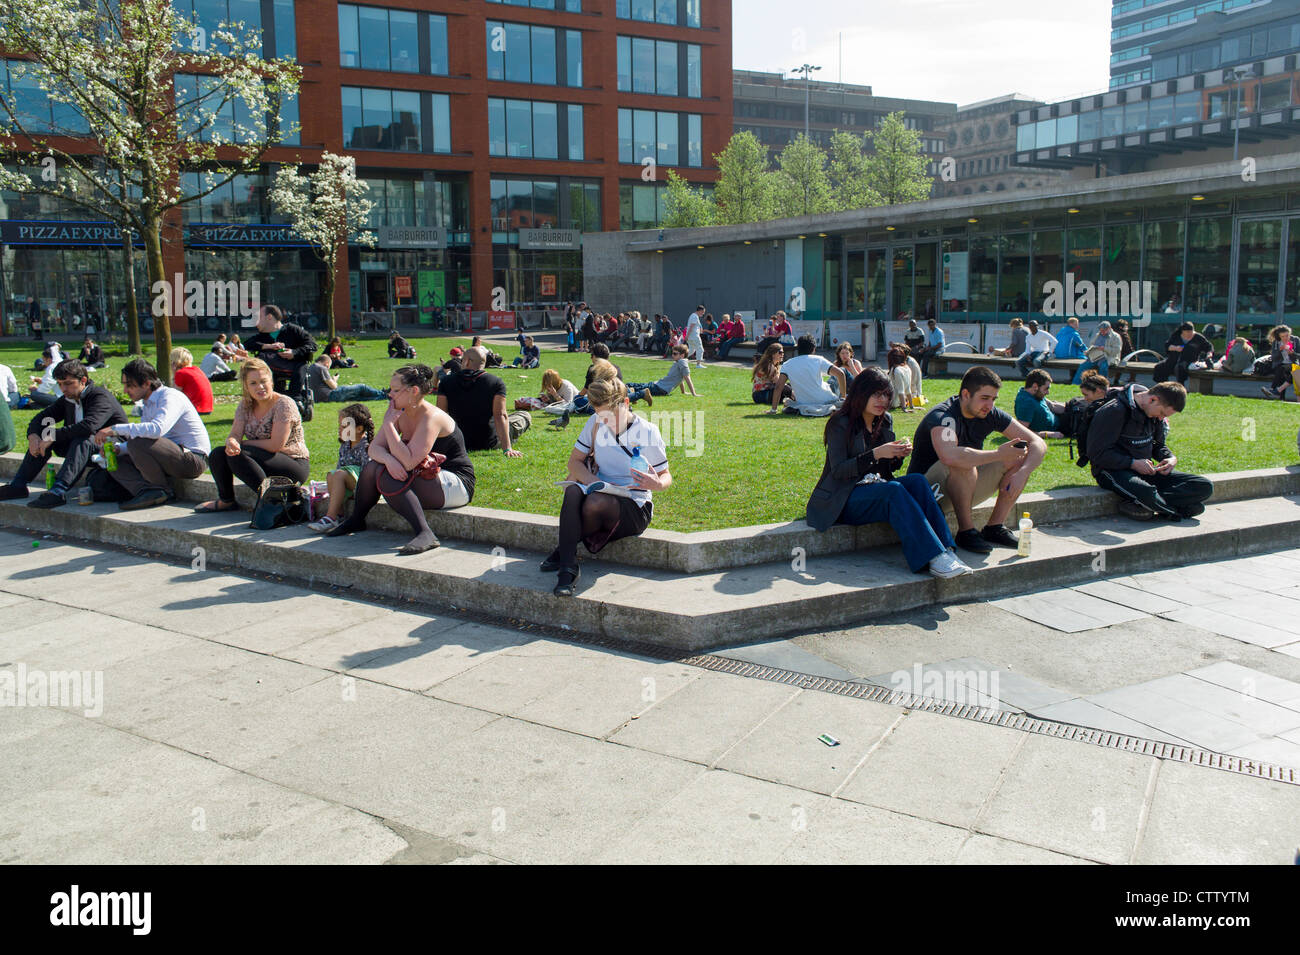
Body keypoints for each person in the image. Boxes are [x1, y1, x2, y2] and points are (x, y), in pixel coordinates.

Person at [806, 368, 969, 579]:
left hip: (875, 489)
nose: (882, 400)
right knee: (893, 490)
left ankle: (947, 550)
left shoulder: (885, 420)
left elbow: (887, 470)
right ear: (860, 393)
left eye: (886, 395)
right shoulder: (840, 423)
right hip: (843, 498)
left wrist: (896, 455)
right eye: (876, 394)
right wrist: (876, 453)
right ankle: (934, 557)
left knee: (918, 481)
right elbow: (838, 471)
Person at [544, 376, 671, 597]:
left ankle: (564, 551)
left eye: (611, 416)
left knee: (595, 500)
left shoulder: (648, 431)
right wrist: (594, 483)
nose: (605, 422)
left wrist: (657, 484)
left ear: (626, 403)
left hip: (634, 504)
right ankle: (568, 568)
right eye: (600, 415)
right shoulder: (594, 422)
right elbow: (574, 462)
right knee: (574, 491)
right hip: (600, 491)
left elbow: (666, 475)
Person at [326, 366, 476, 553]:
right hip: (425, 478)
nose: (390, 394)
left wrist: (389, 425)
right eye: (390, 389)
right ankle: (357, 519)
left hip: (455, 483)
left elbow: (409, 462)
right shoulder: (401, 412)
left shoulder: (431, 417)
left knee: (385, 473)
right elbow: (374, 448)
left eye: (396, 390)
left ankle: (425, 533)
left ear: (414, 391)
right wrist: (389, 459)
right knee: (374, 467)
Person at [906, 365, 1046, 555]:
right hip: (926, 494)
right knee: (963, 461)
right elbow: (950, 455)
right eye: (985, 398)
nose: (990, 405)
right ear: (966, 394)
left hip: (960, 488)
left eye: (993, 399)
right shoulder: (944, 416)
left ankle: (994, 527)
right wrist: (998, 454)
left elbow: (1037, 442)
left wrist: (1023, 472)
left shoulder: (989, 413)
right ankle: (966, 531)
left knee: (1019, 457)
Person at [0, 358, 128, 508]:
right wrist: (33, 436)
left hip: (114, 449)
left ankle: (57, 491)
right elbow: (41, 418)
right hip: (85, 449)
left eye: (68, 383)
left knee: (83, 438)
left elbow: (88, 427)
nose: (63, 389)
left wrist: (52, 436)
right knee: (44, 434)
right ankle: (18, 486)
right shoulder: (69, 398)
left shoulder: (99, 397)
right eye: (60, 384)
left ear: (83, 380)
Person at [1086, 381, 1213, 521]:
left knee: (1204, 485)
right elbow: (1097, 453)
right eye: (1162, 413)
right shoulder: (1114, 411)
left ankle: (1150, 505)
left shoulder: (1153, 413)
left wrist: (1170, 458)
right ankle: (1174, 508)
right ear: (1153, 399)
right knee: (1147, 492)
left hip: (1146, 470)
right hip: (1113, 471)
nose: (1161, 419)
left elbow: (1157, 445)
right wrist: (1132, 463)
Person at [94, 358, 210, 510]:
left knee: (138, 442)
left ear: (147, 383)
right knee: (113, 459)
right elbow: (144, 441)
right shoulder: (148, 403)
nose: (125, 391)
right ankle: (144, 491)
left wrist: (115, 429)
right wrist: (119, 449)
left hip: (193, 459)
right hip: (168, 456)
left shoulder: (170, 397)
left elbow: (157, 430)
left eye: (130, 385)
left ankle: (160, 491)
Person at [197, 358, 309, 513]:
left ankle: (272, 502)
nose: (260, 387)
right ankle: (226, 501)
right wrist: (232, 441)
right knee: (219, 453)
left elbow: (276, 445)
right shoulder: (246, 404)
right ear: (246, 386)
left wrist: (242, 444)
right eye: (253, 383)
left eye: (264, 381)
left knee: (237, 454)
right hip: (260, 459)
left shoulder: (284, 404)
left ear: (271, 381)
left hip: (292, 463)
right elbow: (235, 434)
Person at [436, 345, 529, 456]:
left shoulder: (446, 382)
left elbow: (440, 415)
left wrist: (441, 446)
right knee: (524, 415)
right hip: (489, 441)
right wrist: (507, 449)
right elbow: (500, 415)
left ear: (466, 362)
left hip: (459, 441)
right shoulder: (495, 382)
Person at [307, 404, 374, 533]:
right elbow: (339, 469)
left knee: (337, 475)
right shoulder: (345, 445)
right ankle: (339, 514)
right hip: (348, 482)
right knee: (331, 475)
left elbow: (368, 474)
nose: (339, 429)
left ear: (359, 428)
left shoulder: (366, 446)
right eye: (340, 426)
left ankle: (331, 517)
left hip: (364, 487)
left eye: (344, 426)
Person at [243, 304, 317, 403]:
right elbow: (247, 344)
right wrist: (269, 346)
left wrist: (294, 352)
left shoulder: (293, 330)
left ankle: (296, 399)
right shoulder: (262, 337)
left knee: (302, 365)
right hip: (271, 369)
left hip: (294, 366)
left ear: (269, 317)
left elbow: (312, 345)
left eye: (259, 317)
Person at [770, 335, 844, 415]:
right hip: (825, 399)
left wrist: (773, 410)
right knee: (842, 372)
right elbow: (840, 374)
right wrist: (843, 398)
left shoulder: (787, 364)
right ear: (813, 348)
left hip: (802, 401)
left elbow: (778, 387)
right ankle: (845, 396)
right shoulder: (818, 359)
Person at [626, 343, 699, 405]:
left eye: (675, 354)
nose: (672, 355)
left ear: (682, 355)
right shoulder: (679, 362)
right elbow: (681, 379)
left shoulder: (681, 362)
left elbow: (687, 378)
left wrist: (694, 393)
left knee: (627, 386)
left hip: (659, 388)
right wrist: (683, 392)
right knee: (631, 386)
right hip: (658, 386)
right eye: (672, 353)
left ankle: (633, 395)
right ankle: (633, 395)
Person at [307, 355, 388, 403]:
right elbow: (334, 386)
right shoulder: (321, 368)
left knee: (357, 398)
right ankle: (383, 393)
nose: (328, 368)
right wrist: (334, 379)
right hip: (330, 395)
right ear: (326, 363)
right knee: (362, 387)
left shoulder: (310, 368)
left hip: (318, 398)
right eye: (329, 366)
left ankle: (383, 397)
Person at [1154, 321, 1213, 386]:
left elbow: (1208, 347)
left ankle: (1180, 386)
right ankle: (1164, 386)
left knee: (1180, 368)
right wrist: (1175, 348)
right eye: (1187, 332)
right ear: (1182, 331)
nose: (1190, 334)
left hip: (1189, 361)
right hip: (1173, 359)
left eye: (1191, 332)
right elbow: (1167, 346)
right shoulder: (1176, 335)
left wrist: (1209, 354)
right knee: (1159, 367)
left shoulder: (1198, 338)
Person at [1014, 369, 1066, 439]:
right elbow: (1020, 432)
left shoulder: (1034, 394)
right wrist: (1047, 434)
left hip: (1062, 419)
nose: (1048, 392)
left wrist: (1070, 407)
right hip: (1062, 427)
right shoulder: (1026, 403)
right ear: (1035, 386)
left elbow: (1052, 405)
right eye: (1046, 389)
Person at [170, 348, 214, 414]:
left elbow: (174, 394)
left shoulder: (181, 373)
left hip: (196, 409)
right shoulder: (196, 369)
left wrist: (174, 373)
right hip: (207, 408)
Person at [1260, 325, 1295, 400]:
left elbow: (1298, 355)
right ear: (1279, 336)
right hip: (1280, 364)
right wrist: (1280, 350)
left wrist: (1292, 353)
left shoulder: (1295, 340)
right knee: (1281, 370)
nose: (1285, 338)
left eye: (1287, 335)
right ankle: (1280, 396)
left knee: (1282, 370)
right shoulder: (1276, 342)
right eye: (1282, 336)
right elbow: (1274, 357)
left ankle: (1273, 389)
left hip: (1293, 364)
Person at [886, 347, 916, 413]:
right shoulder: (907, 368)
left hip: (894, 403)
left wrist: (904, 408)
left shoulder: (896, 370)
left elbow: (901, 391)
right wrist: (911, 405)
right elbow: (908, 389)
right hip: (900, 402)